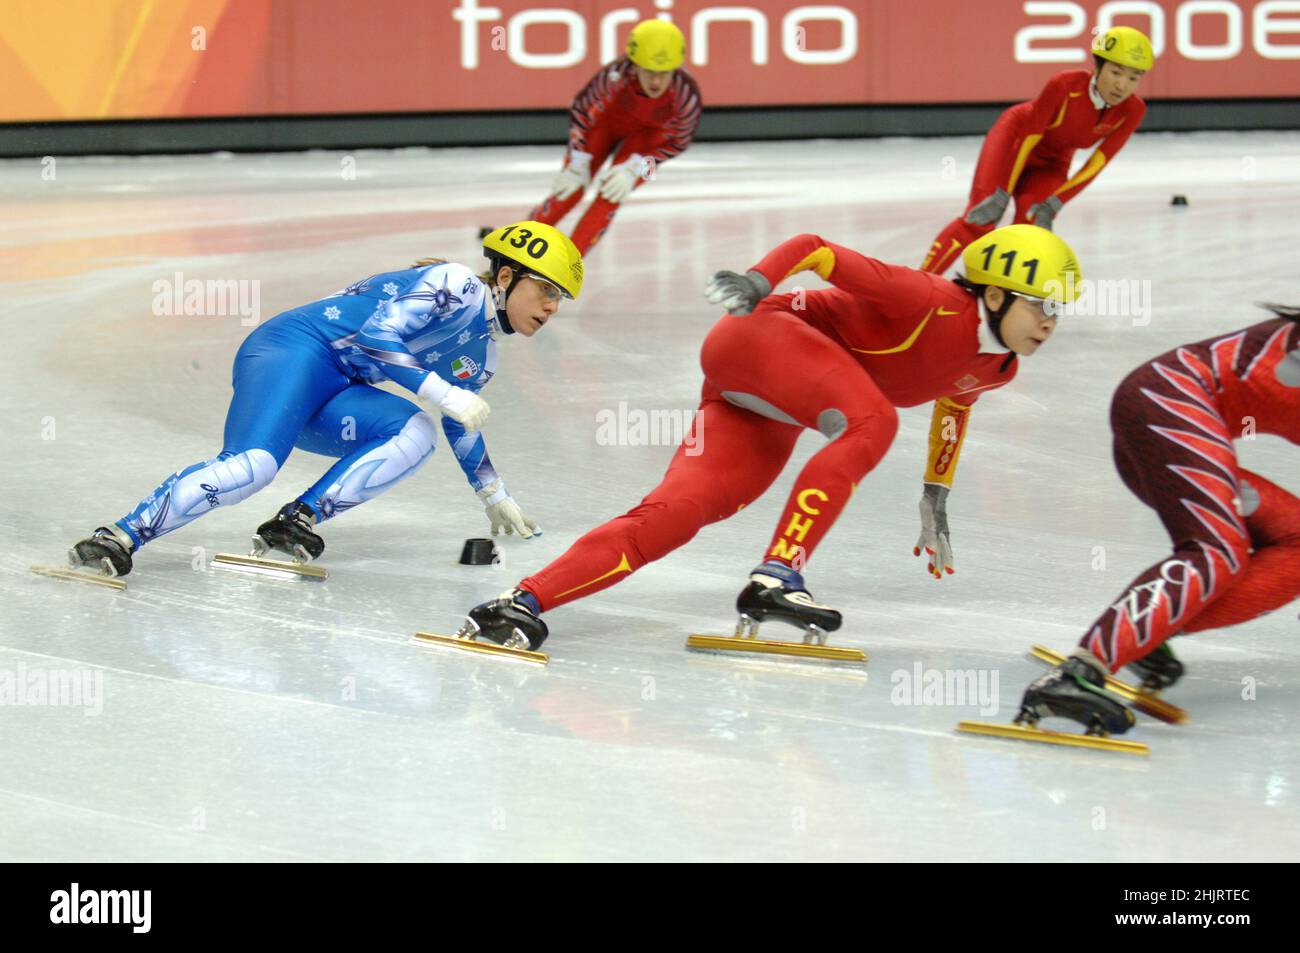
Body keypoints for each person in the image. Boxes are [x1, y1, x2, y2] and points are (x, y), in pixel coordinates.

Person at [456, 224, 1082, 651]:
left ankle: (521, 602)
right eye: (1042, 306)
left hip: (766, 405)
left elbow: (955, 401)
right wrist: (759, 281)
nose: (1051, 324)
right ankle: (778, 575)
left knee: (678, 513)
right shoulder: (927, 298)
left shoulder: (999, 366)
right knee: (875, 420)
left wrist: (935, 492)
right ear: (995, 293)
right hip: (757, 336)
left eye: (1059, 311)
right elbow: (815, 247)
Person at [67, 222, 583, 578]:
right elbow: (378, 338)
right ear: (509, 276)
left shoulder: (483, 356)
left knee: (416, 432)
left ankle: (296, 521)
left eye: (560, 299)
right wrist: (442, 390)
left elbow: (458, 421)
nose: (552, 307)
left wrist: (492, 493)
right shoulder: (454, 284)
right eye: (546, 291)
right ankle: (119, 536)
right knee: (252, 467)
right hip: (292, 351)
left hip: (337, 388)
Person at [1019, 306, 1300, 735]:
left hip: (1163, 415)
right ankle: (1077, 675)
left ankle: (1145, 632)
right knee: (1216, 550)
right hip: (1168, 404)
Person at [920, 26, 1152, 275]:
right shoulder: (1064, 84)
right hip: (1015, 140)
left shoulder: (1133, 110)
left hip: (1053, 161)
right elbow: (1030, 137)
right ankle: (919, 286)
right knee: (983, 215)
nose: (1122, 85)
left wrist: (1056, 202)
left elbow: (1097, 163)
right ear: (1098, 66)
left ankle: (1003, 303)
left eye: (1133, 77)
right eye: (1116, 72)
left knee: (1032, 227)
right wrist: (1001, 193)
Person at [526, 19, 702, 256]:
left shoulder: (686, 92)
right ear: (634, 63)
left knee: (612, 195)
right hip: (604, 127)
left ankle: (568, 266)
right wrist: (577, 160)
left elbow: (679, 143)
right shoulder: (615, 75)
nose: (656, 82)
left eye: (664, 73)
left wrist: (636, 168)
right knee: (568, 191)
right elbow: (580, 111)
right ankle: (515, 247)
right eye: (649, 72)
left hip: (647, 146)